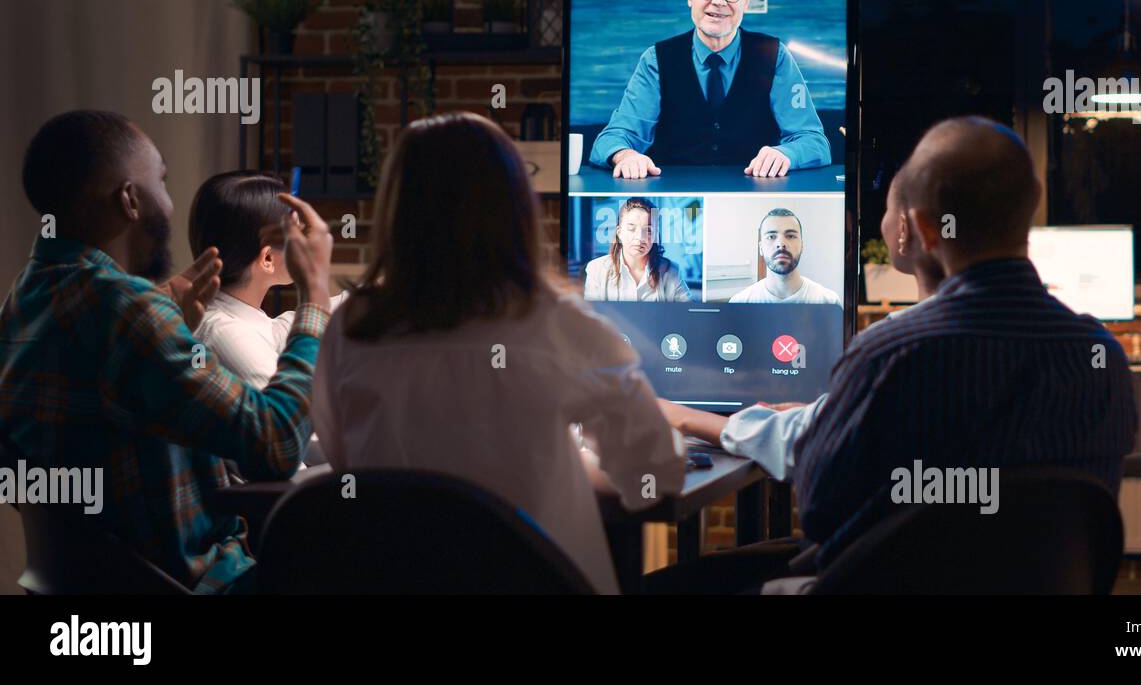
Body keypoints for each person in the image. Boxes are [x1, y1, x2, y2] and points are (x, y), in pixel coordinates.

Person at [648, 116, 1137, 593]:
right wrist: (832, 415)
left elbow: (821, 505)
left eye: (886, 207)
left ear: (921, 229)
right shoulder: (1101, 357)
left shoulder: (892, 353)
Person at [310, 113, 685, 595]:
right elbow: (657, 474)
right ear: (515, 208)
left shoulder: (351, 328)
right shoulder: (562, 325)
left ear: (396, 210)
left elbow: (351, 466)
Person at [0, 110, 335, 594]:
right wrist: (316, 300)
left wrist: (168, 323)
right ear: (130, 199)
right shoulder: (124, 310)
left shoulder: (26, 299)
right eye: (162, 180)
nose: (171, 203)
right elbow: (277, 443)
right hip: (197, 584)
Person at [661, 171, 943, 479]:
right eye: (771, 236)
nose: (781, 243)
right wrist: (821, 412)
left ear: (911, 229)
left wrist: (680, 415)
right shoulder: (957, 345)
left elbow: (818, 441)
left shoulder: (889, 349)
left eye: (886, 210)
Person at [588, 0, 831, 180]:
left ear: (747, 0)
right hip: (676, 204)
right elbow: (611, 139)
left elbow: (814, 142)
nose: (719, 0)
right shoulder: (657, 60)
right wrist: (625, 155)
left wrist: (785, 154)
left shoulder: (774, 55)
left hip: (753, 202)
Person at [188, 171, 347, 388]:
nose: (306, 241)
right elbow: (291, 414)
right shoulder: (225, 334)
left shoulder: (244, 320)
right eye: (298, 233)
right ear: (269, 258)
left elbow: (330, 312)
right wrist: (314, 280)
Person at [583, 197, 694, 302]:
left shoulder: (671, 271)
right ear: (619, 233)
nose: (640, 238)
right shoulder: (596, 270)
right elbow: (590, 317)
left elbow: (692, 313)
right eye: (631, 229)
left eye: (648, 230)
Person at [727, 207, 841, 306]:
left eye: (790, 236)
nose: (781, 244)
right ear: (760, 248)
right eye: (771, 236)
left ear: (802, 245)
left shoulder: (829, 302)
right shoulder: (739, 303)